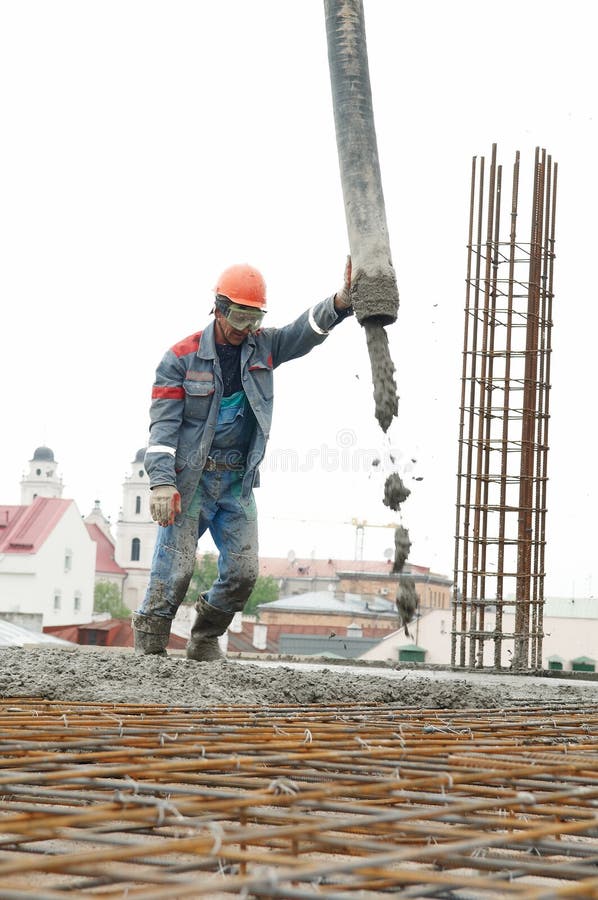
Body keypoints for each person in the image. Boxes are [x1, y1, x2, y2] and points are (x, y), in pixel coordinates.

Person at [132, 261, 353, 660]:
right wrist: (162, 482)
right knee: (176, 569)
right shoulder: (180, 359)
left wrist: (340, 302)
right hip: (190, 483)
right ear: (218, 309)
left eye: (254, 318)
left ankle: (204, 636)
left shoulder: (263, 347)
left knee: (243, 573)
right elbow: (162, 429)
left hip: (236, 483)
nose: (246, 327)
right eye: (239, 316)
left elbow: (304, 332)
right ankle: (150, 646)